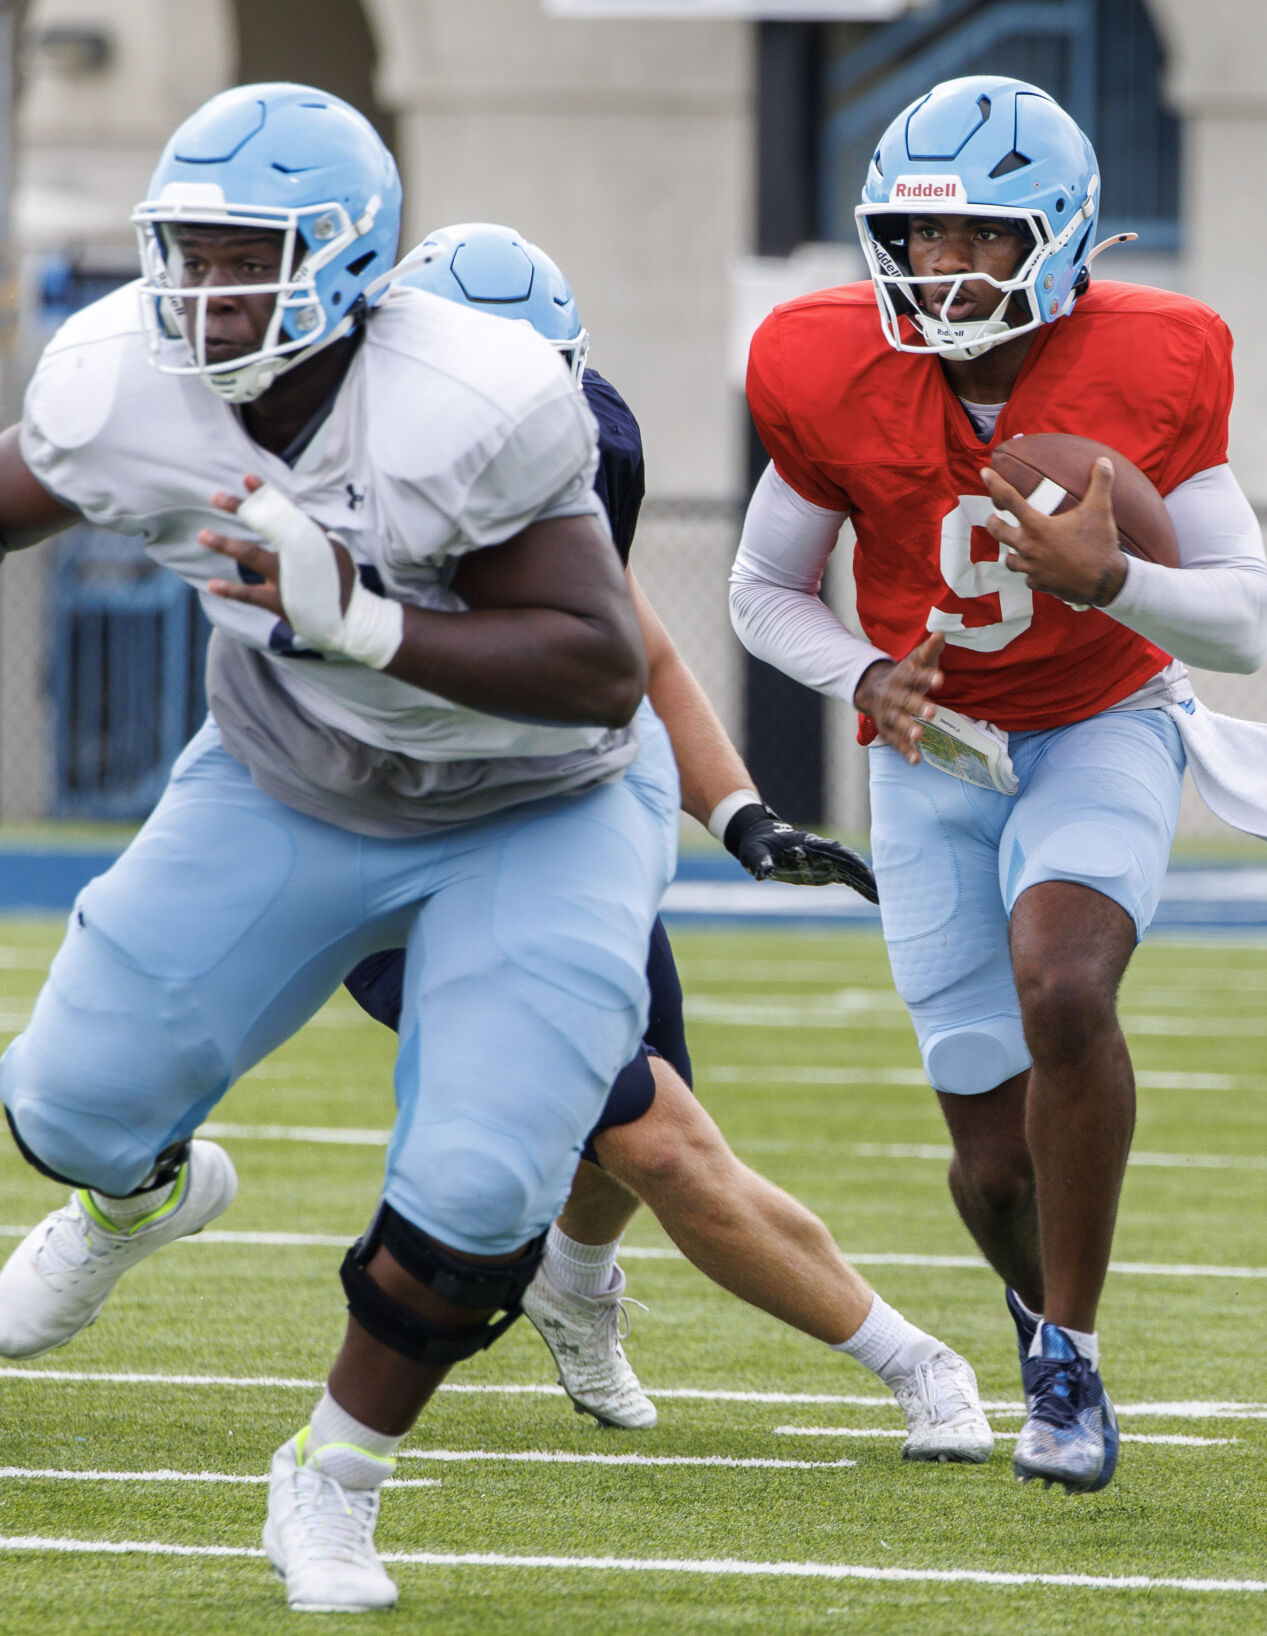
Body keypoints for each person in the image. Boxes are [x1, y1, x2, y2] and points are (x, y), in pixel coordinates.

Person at [0, 83, 687, 1616]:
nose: (210, 290)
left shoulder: (479, 394)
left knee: (478, 1180)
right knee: (63, 1103)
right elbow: (21, 489)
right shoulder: (121, 377)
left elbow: (598, 664)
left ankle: (333, 1481)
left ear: (354, 258)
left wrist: (365, 618)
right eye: (189, 252)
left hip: (540, 806)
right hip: (285, 776)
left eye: (252, 255)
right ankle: (137, 1199)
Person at [345, 222, 993, 1461]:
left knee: (634, 1121)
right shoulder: (332, 474)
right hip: (397, 845)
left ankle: (573, 1286)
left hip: (560, 826)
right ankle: (915, 1360)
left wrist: (740, 813)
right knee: (658, 1134)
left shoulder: (596, 440)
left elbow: (632, 638)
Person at [728, 75, 1267, 1496]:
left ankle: (1070, 1358)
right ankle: (1032, 1309)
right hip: (932, 757)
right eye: (920, 238)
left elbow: (1245, 616)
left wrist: (1117, 583)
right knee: (988, 1165)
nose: (943, 268)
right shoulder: (818, 360)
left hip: (1098, 718)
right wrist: (855, 675)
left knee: (1065, 985)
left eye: (979, 238)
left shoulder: (1150, 357)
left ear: (1062, 241)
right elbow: (757, 590)